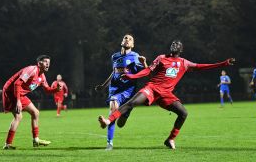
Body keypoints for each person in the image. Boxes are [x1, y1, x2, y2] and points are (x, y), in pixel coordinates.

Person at [98, 40, 235, 149]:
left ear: (181, 49)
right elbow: (148, 71)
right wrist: (132, 77)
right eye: (173, 44)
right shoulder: (161, 58)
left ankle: (170, 139)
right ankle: (108, 120)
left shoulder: (184, 63)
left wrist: (223, 63)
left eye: (177, 44)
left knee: (183, 113)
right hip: (152, 88)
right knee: (132, 102)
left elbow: (201, 66)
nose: (174, 45)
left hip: (166, 94)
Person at [95, 34, 148, 150]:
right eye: (125, 38)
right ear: (121, 41)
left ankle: (115, 119)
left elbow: (146, 72)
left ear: (133, 45)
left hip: (129, 91)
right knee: (113, 108)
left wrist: (144, 63)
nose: (127, 40)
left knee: (121, 123)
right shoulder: (115, 56)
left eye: (130, 39)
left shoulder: (135, 56)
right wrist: (104, 86)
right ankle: (109, 143)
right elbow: (114, 72)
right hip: (115, 90)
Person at [2, 55, 61, 149]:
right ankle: (8, 144)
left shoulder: (42, 76)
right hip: (11, 91)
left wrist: (56, 89)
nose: (48, 64)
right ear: (39, 63)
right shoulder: (31, 70)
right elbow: (17, 83)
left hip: (19, 93)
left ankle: (35, 140)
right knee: (18, 116)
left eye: (49, 62)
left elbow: (47, 89)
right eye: (45, 62)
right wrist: (18, 101)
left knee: (35, 113)